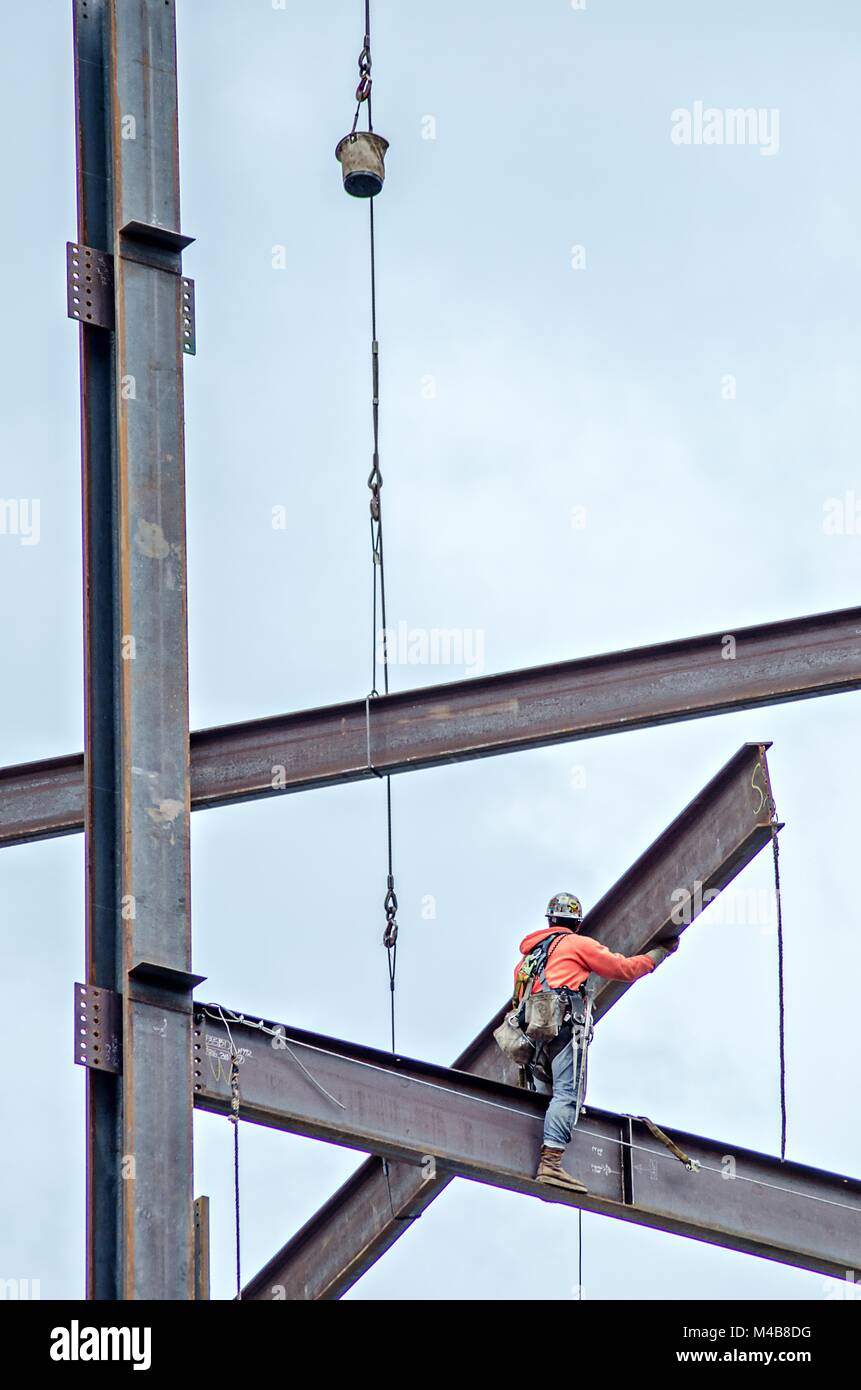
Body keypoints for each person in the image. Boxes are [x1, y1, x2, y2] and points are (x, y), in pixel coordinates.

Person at [515, 891, 679, 1193]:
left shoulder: (531, 957)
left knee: (544, 1096)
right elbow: (624, 969)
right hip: (564, 1027)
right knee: (567, 1095)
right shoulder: (578, 945)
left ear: (550, 920)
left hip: (534, 1035)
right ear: (576, 924)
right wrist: (658, 955)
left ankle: (536, 1149)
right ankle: (550, 1163)